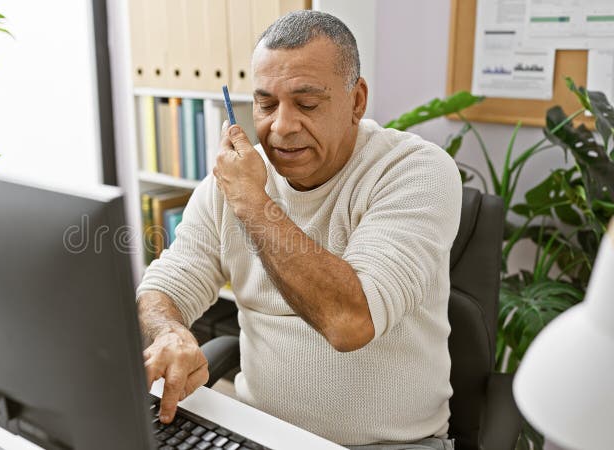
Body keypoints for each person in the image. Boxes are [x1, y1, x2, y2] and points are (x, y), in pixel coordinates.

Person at [136, 10, 461, 450]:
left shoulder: (414, 171)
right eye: (266, 104)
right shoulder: (232, 180)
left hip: (389, 445)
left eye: (307, 103)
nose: (281, 127)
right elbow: (164, 285)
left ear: (357, 100)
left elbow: (349, 322)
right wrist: (170, 332)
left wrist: (254, 202)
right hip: (256, 434)